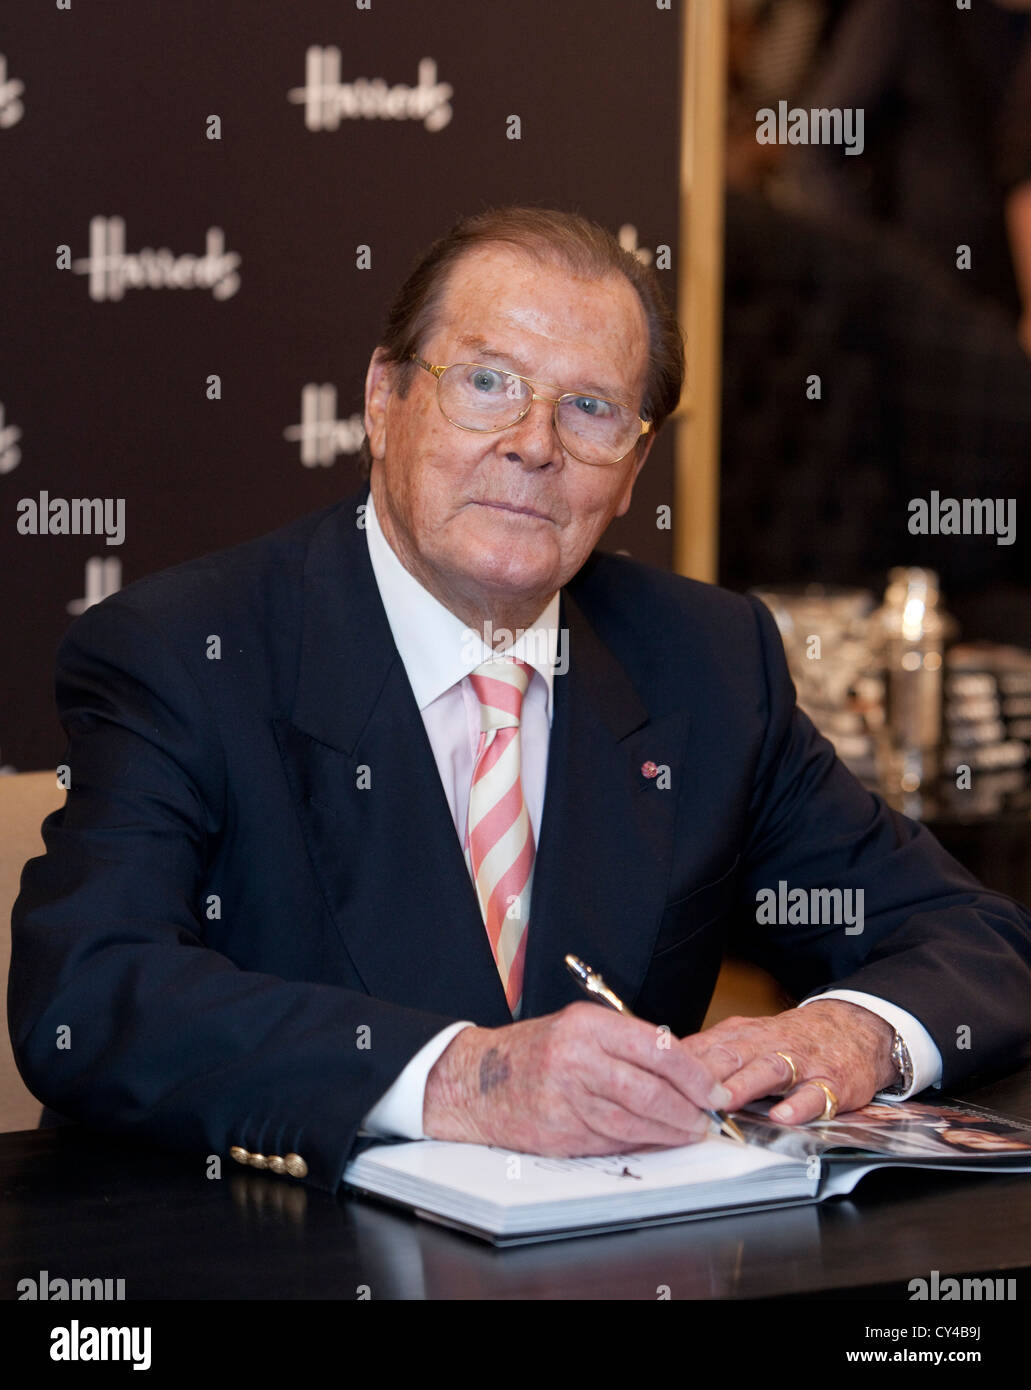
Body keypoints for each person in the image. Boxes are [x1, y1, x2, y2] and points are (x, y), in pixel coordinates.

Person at [9, 206, 1031, 1194]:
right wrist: (460, 1078)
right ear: (381, 399)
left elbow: (969, 936)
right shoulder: (190, 649)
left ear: (629, 470)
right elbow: (88, 991)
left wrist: (842, 1032)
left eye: (589, 408)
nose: (534, 443)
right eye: (488, 382)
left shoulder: (705, 663)